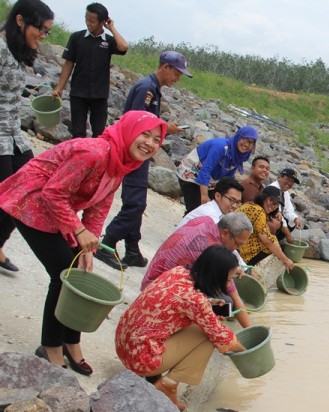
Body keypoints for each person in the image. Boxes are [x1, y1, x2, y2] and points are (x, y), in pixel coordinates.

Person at [0, 111, 167, 374]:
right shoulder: (96, 152)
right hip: (31, 198)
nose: (149, 142)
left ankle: (71, 341)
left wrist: (88, 246)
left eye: (156, 139)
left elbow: (100, 206)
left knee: (79, 268)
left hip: (56, 205)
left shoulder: (123, 161)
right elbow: (52, 192)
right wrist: (78, 231)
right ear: (128, 131)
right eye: (144, 134)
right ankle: (51, 347)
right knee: (63, 272)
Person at [115, 245, 248, 411]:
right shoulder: (195, 300)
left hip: (124, 343)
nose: (229, 284)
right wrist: (247, 351)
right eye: (228, 280)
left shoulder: (178, 272)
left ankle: (157, 377)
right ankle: (168, 384)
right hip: (140, 359)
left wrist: (209, 307)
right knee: (211, 336)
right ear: (215, 277)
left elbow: (178, 304)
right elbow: (224, 338)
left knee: (205, 326)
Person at [94, 50, 190, 269]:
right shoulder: (147, 89)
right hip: (133, 152)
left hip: (139, 152)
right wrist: (166, 129)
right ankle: (106, 244)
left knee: (136, 202)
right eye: (176, 74)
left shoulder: (152, 89)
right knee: (135, 203)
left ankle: (133, 250)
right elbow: (137, 123)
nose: (177, 79)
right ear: (165, 67)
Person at [0, 0, 54, 273]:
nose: (43, 36)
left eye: (47, 32)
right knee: (8, 193)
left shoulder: (15, 49)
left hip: (12, 133)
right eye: (41, 29)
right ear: (20, 21)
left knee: (31, 186)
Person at [140, 212, 253, 328]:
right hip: (157, 300)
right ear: (225, 233)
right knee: (226, 303)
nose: (237, 249)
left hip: (154, 282)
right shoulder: (210, 252)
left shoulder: (206, 220)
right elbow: (235, 296)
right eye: (238, 244)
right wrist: (250, 331)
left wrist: (234, 269)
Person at [52, 3, 128, 138]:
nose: (88, 23)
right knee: (78, 132)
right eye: (86, 19)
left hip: (100, 95)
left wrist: (112, 28)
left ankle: (95, 159)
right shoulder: (77, 38)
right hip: (78, 93)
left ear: (102, 22)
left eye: (92, 21)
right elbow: (69, 63)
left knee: (99, 133)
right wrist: (59, 87)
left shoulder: (108, 42)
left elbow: (123, 47)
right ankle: (78, 158)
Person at [176, 125, 257, 216]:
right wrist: (204, 195)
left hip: (211, 180)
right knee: (195, 210)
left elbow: (228, 177)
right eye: (245, 140)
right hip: (192, 173)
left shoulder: (240, 156)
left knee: (212, 211)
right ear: (238, 136)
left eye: (251, 143)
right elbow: (206, 169)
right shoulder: (221, 146)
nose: (247, 145)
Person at [237, 186, 295, 270]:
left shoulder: (251, 205)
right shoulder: (258, 211)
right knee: (270, 242)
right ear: (263, 197)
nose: (272, 206)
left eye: (276, 204)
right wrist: (285, 260)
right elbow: (268, 241)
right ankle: (247, 265)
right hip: (236, 246)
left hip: (236, 241)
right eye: (270, 200)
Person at [177, 176, 243, 228]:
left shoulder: (214, 209)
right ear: (218, 196)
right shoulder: (211, 217)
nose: (235, 206)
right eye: (231, 200)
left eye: (238, 202)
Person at [269, 168, 304, 243]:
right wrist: (288, 235)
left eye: (292, 181)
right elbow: (276, 214)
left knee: (293, 220)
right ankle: (269, 244)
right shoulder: (273, 189)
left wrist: (295, 218)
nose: (289, 183)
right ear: (279, 177)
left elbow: (288, 209)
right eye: (287, 179)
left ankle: (275, 242)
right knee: (277, 222)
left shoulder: (284, 191)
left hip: (276, 217)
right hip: (267, 220)